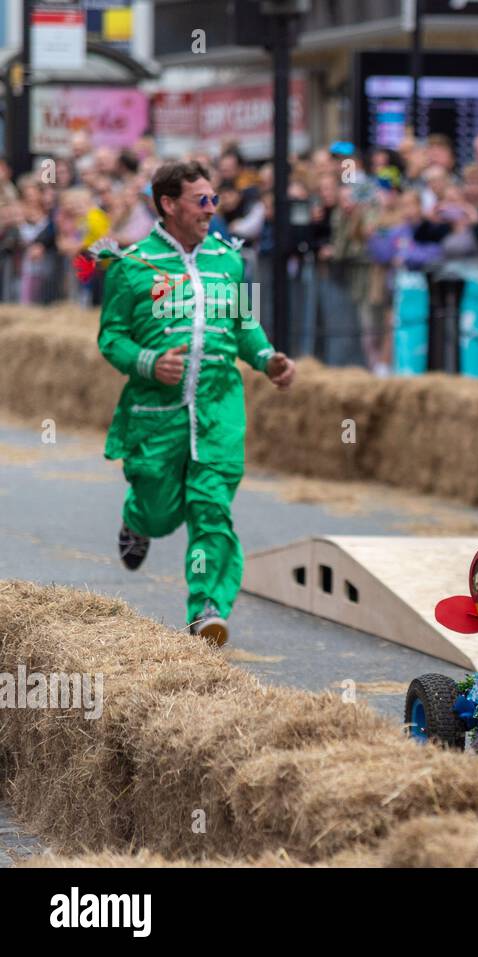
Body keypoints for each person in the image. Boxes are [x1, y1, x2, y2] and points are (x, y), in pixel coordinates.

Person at [98, 161, 296, 646]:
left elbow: (245, 325)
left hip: (218, 411)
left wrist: (267, 358)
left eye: (215, 199)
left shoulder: (230, 261)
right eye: (201, 200)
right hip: (155, 414)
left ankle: (206, 608)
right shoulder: (132, 265)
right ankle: (138, 519)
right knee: (161, 511)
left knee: (211, 509)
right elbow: (111, 337)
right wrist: (147, 362)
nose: (212, 209)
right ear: (168, 204)